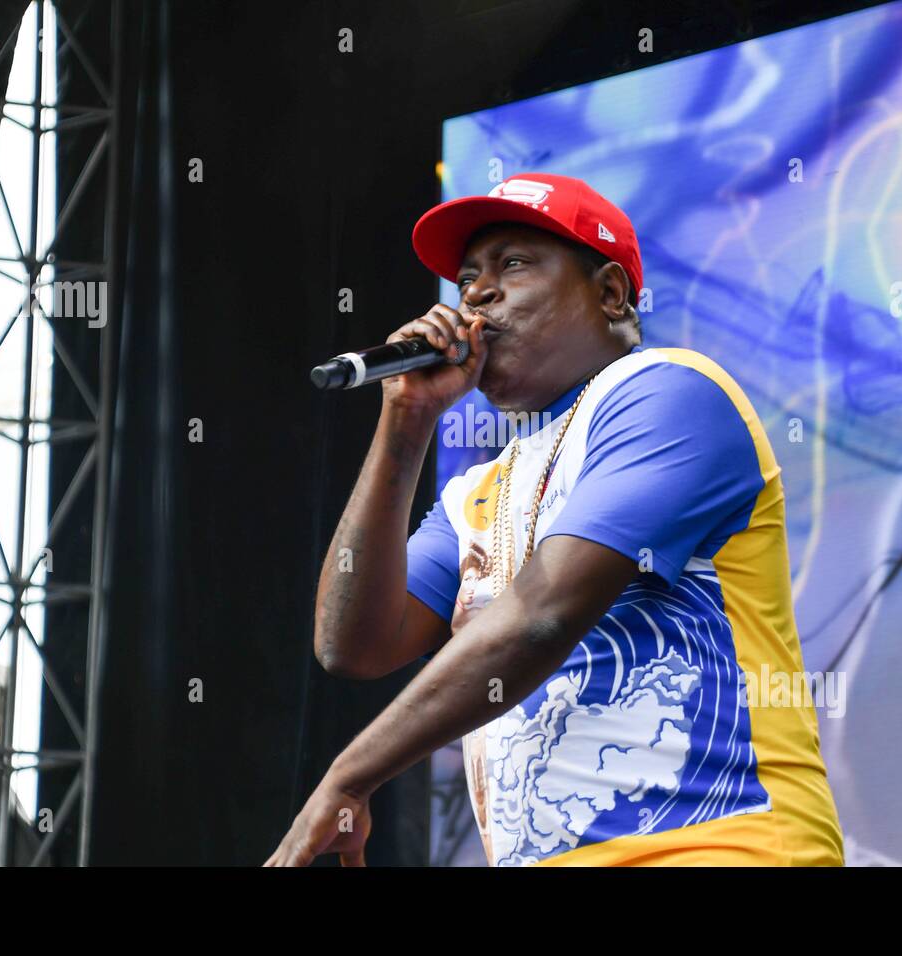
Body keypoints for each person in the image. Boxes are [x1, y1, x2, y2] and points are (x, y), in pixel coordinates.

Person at [264, 172, 843, 867]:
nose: (476, 292)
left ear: (608, 293)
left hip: (714, 848)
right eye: (468, 276)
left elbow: (543, 616)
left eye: (512, 263)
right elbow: (354, 645)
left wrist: (349, 775)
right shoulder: (477, 492)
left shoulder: (668, 392)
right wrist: (406, 419)